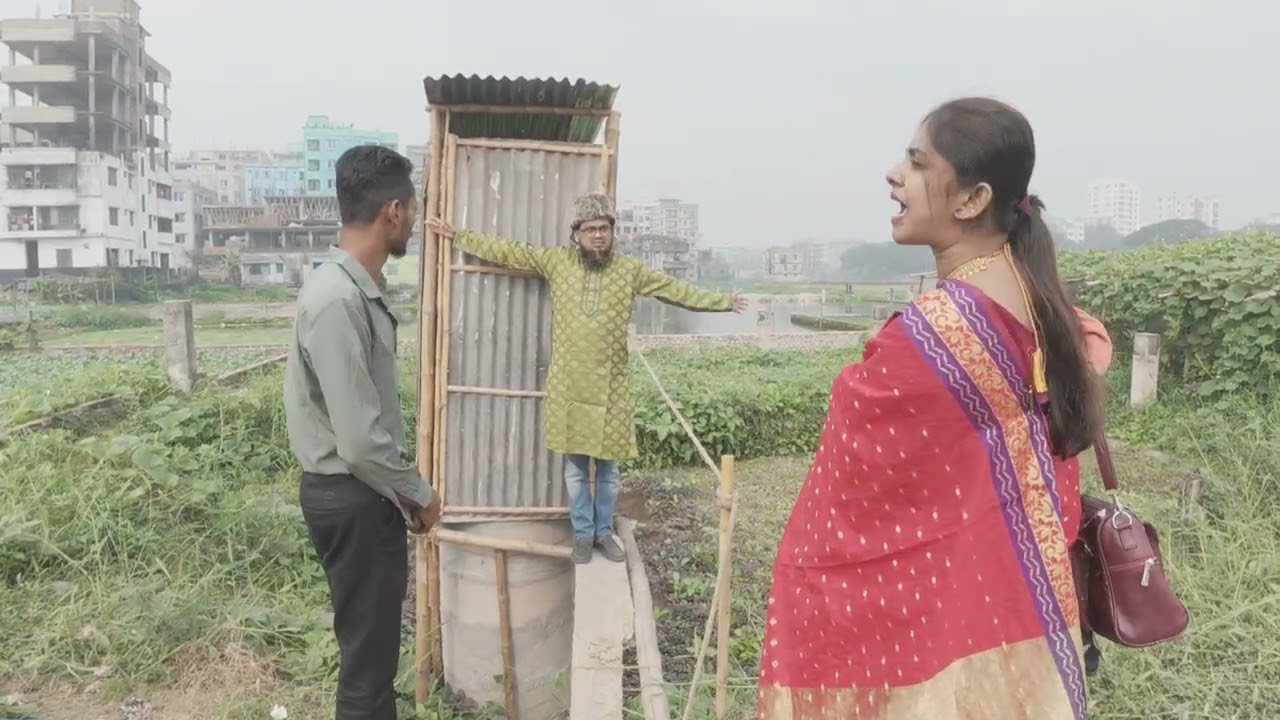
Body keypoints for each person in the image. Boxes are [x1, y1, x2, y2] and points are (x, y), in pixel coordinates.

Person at [758, 98, 1112, 720]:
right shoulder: (1043, 297)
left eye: (917, 164)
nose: (894, 174)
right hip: (1032, 611)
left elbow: (853, 489)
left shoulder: (930, 337)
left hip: (965, 616)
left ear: (971, 199)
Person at [428, 194, 748, 564]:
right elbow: (508, 251)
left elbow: (674, 290)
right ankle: (582, 534)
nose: (598, 236)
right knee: (576, 471)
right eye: (590, 229)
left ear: (613, 232)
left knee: (609, 473)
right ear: (576, 234)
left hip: (611, 388)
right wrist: (459, 236)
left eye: (605, 229)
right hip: (568, 387)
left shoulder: (629, 271)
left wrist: (722, 303)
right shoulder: (556, 262)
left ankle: (603, 532)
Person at [284, 145, 440, 720]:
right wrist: (418, 493)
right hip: (352, 494)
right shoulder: (337, 300)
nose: (418, 219)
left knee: (371, 659)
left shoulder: (349, 291)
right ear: (394, 211)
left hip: (357, 493)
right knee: (367, 672)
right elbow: (358, 439)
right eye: (416, 207)